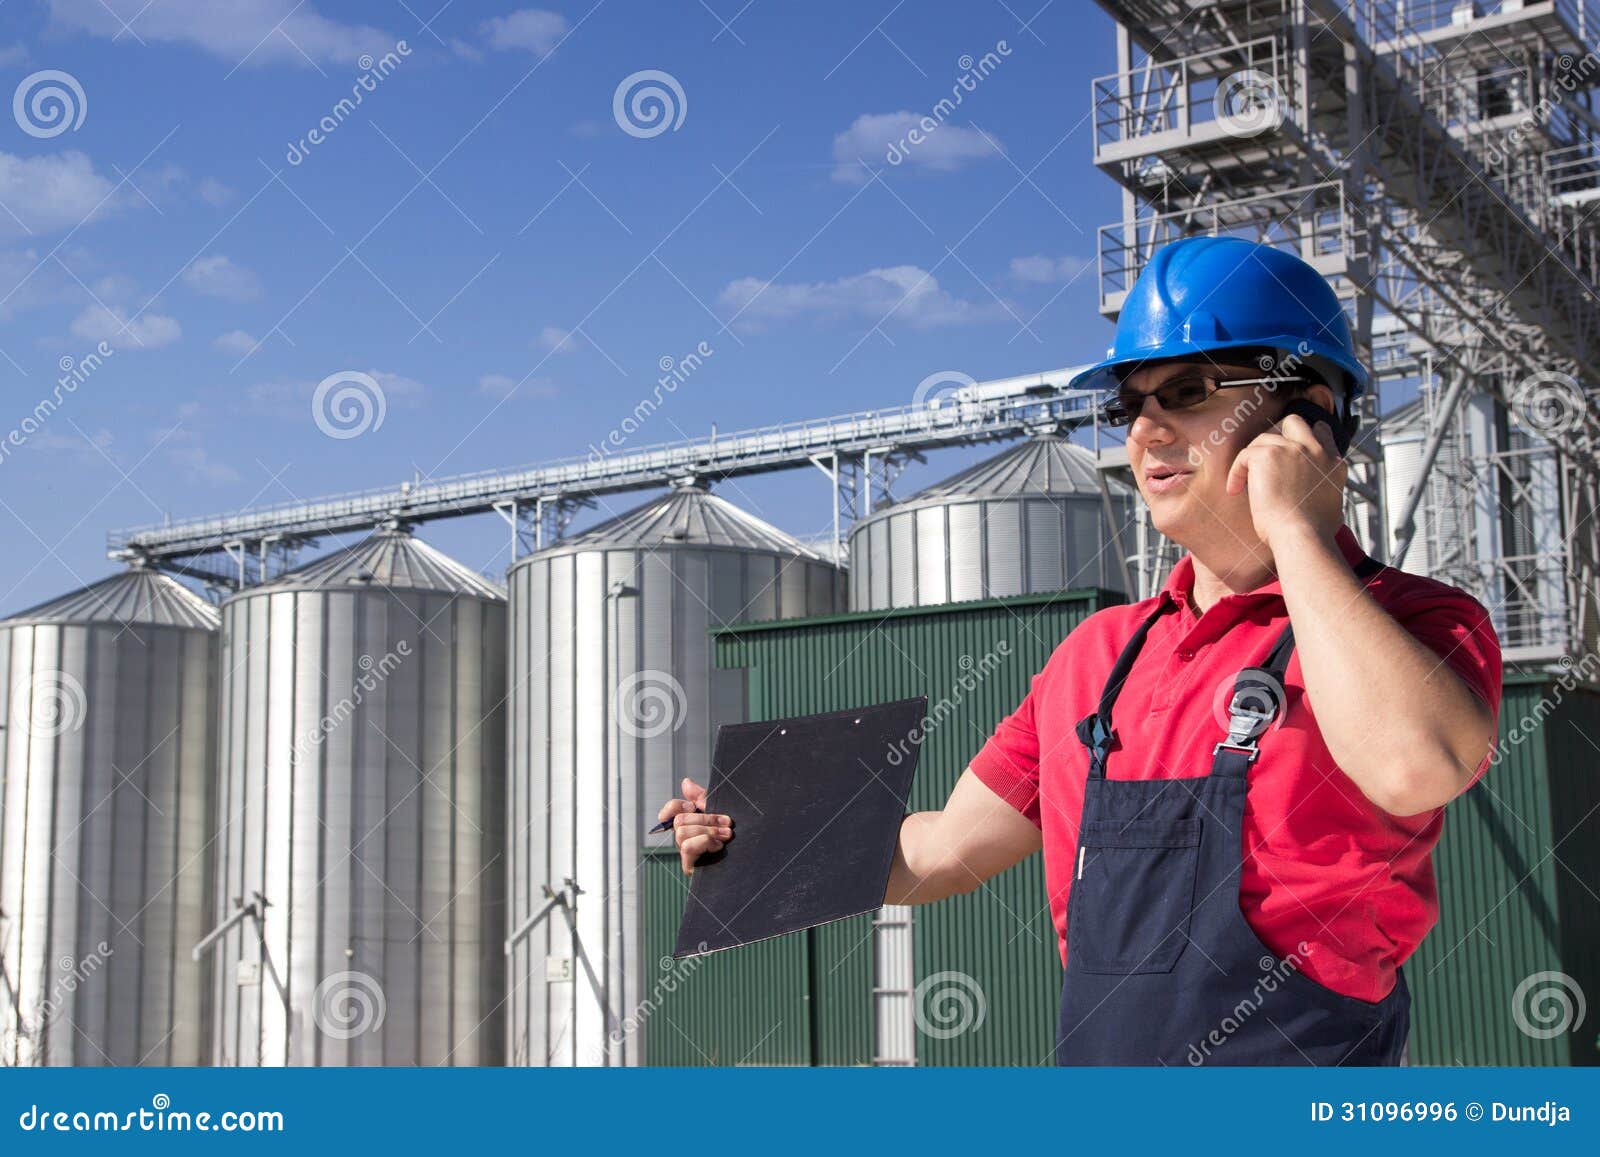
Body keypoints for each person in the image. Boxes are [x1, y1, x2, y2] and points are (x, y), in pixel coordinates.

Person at [658, 236, 1502, 1066]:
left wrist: (1295, 526)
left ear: (1306, 408)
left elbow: (1412, 768)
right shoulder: (1098, 659)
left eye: (1187, 389)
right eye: (1128, 405)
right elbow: (947, 849)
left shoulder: (1417, 623)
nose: (1148, 429)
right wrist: (757, 841)